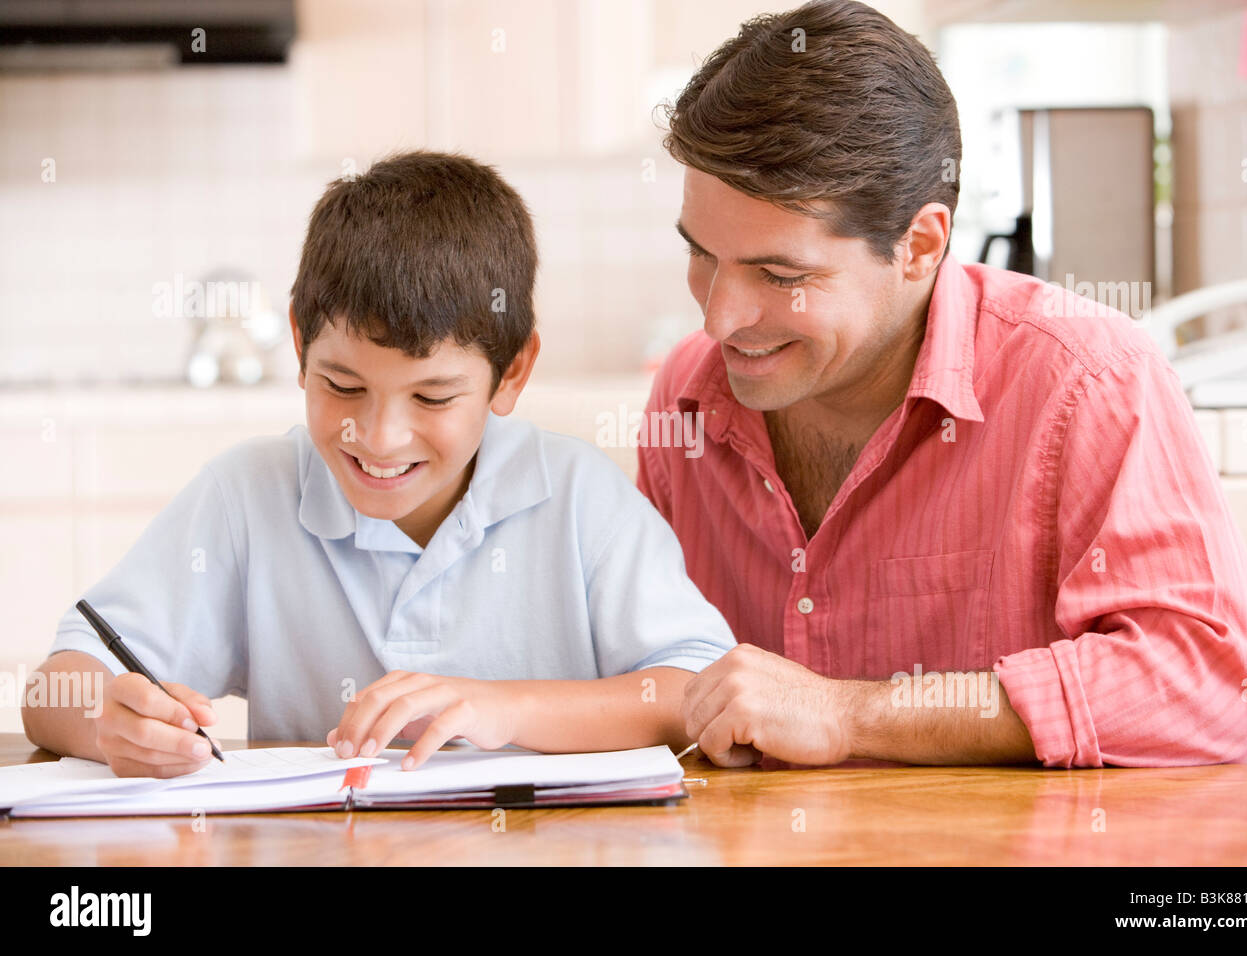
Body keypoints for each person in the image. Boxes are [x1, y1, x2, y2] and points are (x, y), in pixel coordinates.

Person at [639, 0, 1247, 768]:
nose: (720, 319)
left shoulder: (1090, 382)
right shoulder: (686, 400)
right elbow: (642, 668)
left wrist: (850, 714)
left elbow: (1203, 684)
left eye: (780, 274)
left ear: (920, 244)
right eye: (702, 253)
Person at [23, 150, 735, 777]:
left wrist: (506, 708)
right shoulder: (247, 497)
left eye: (432, 396)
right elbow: (51, 690)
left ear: (512, 373)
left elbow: (697, 688)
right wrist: (111, 723)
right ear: (299, 343)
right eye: (343, 386)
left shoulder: (580, 498)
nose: (381, 436)